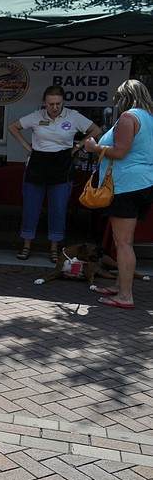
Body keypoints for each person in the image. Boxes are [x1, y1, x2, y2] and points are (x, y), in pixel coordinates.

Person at [8, 85, 102, 262]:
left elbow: (95, 130)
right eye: (51, 104)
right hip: (38, 163)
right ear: (45, 103)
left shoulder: (73, 116)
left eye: (58, 103)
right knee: (31, 207)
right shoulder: (37, 116)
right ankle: (27, 245)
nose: (55, 107)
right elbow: (12, 127)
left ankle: (54, 248)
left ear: (63, 102)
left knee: (58, 208)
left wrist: (77, 147)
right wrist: (28, 148)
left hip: (62, 163)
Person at [83, 79, 153, 310]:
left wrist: (94, 148)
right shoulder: (148, 118)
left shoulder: (128, 117)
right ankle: (119, 285)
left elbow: (120, 152)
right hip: (143, 183)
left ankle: (125, 295)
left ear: (124, 97)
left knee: (123, 243)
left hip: (126, 185)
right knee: (124, 241)